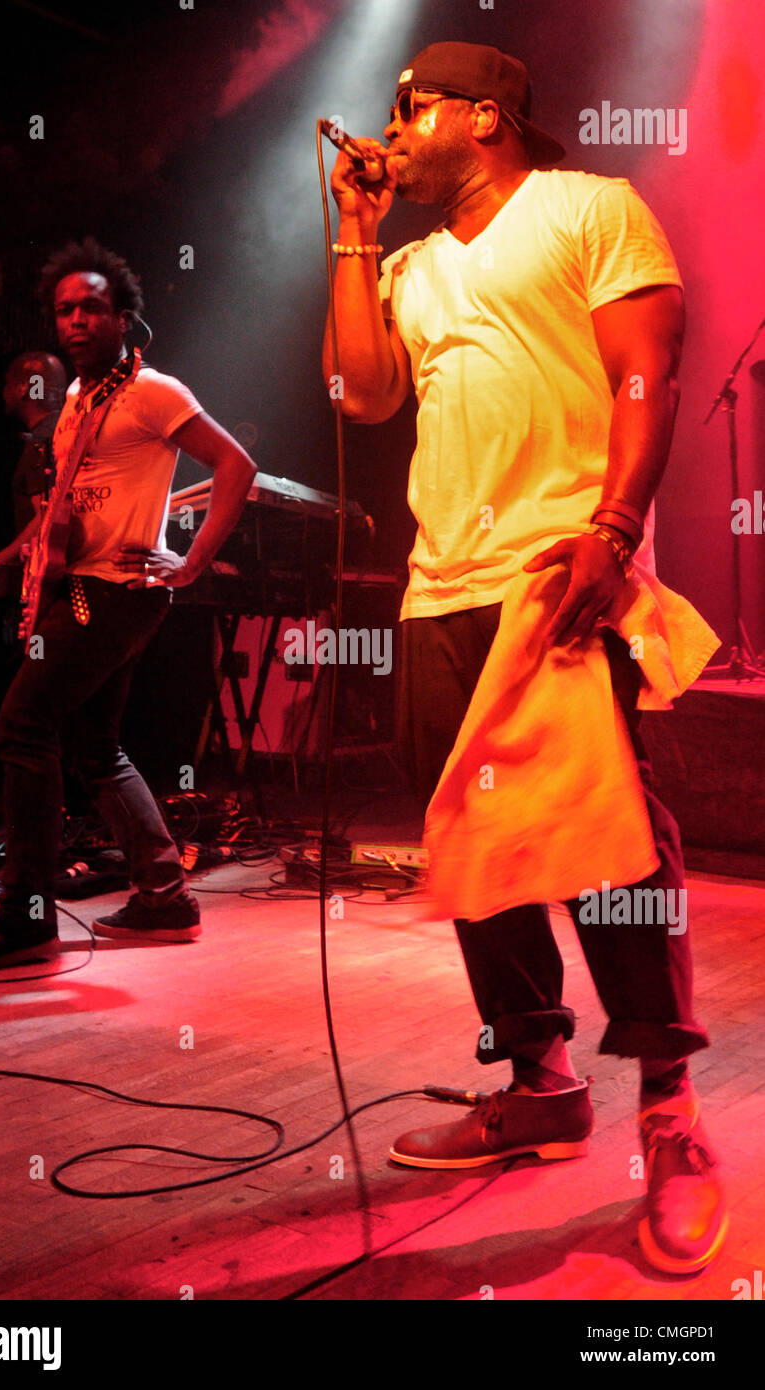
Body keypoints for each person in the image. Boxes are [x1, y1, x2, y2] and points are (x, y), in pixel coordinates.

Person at [323, 42, 726, 1274]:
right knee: (475, 841)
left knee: (608, 844)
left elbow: (646, 370)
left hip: (558, 570)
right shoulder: (408, 261)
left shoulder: (586, 208)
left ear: (483, 116)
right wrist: (350, 234)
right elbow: (360, 391)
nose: (391, 124)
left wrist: (614, 528)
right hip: (440, 587)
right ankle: (541, 1080)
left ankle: (670, 1116)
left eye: (413, 105)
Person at [0, 238, 256, 974]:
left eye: (92, 309)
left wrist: (191, 563)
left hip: (117, 592)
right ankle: (166, 897)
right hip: (74, 585)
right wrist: (8, 558)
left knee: (22, 723)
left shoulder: (155, 392)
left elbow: (237, 465)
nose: (75, 321)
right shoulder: (76, 400)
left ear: (122, 317)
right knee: (94, 747)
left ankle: (26, 918)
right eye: (64, 310)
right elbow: (66, 505)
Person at [0, 352, 67, 566]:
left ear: (24, 388)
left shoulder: (40, 442)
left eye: (8, 384)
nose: (4, 391)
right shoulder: (65, 430)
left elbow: (46, 515)